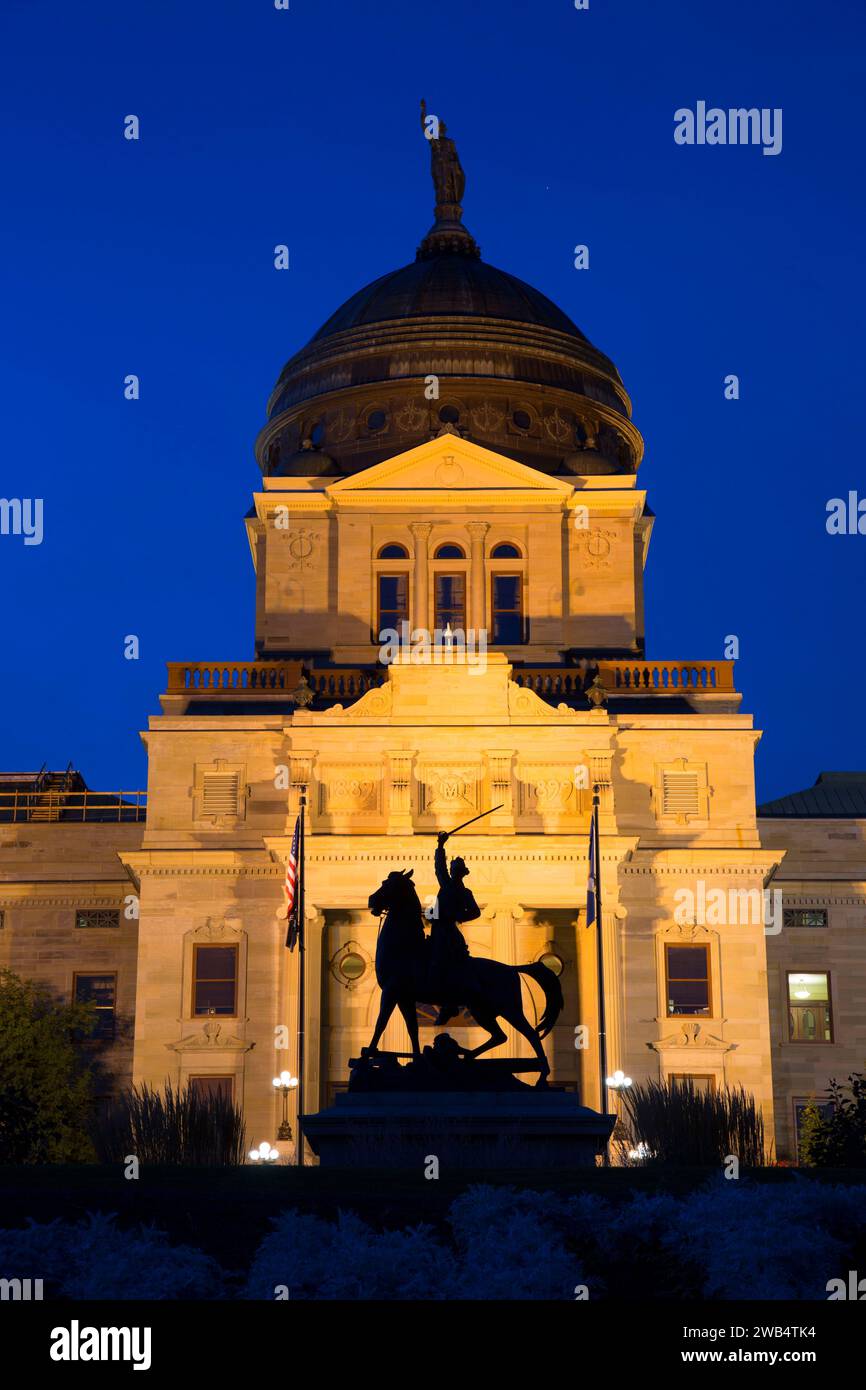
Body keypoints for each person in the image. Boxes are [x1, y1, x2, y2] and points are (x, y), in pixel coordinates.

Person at [429, 830, 481, 1026]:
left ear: (461, 872)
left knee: (442, 963)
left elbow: (476, 912)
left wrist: (459, 916)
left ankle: (448, 1004)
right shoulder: (447, 885)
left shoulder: (463, 892)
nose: (451, 872)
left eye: (455, 869)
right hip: (438, 929)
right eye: (452, 869)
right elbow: (439, 867)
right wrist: (440, 847)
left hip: (448, 932)